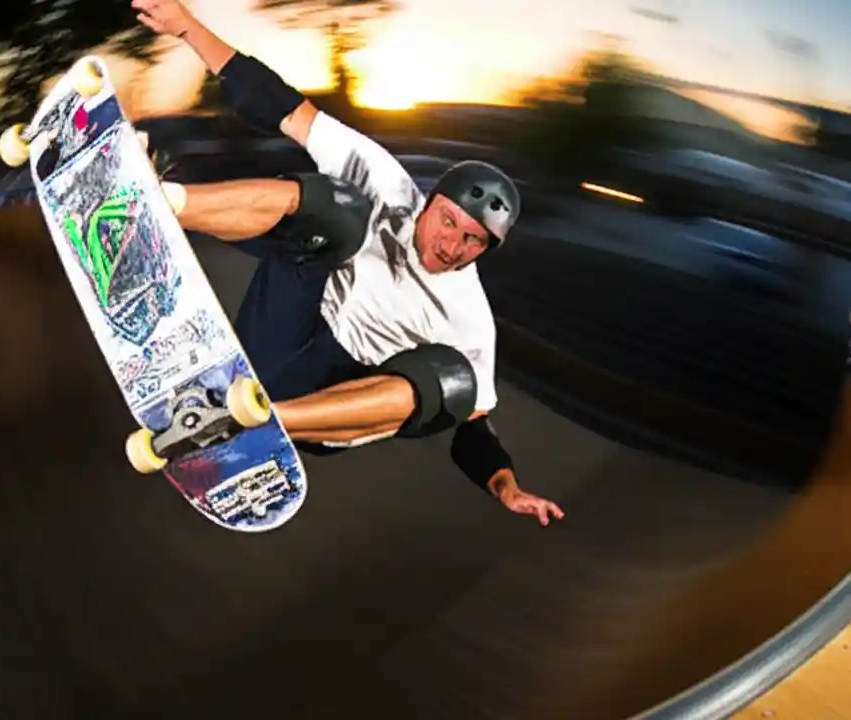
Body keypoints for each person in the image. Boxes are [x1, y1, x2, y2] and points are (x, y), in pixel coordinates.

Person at [131, 0, 565, 527]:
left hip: (326, 398)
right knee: (339, 207)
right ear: (430, 201)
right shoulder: (387, 182)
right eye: (448, 221)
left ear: (485, 252)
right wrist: (189, 28)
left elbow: (473, 431)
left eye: (473, 241)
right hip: (283, 328)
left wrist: (507, 487)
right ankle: (157, 207)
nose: (452, 245)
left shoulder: (469, 318)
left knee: (456, 381)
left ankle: (254, 423)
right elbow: (282, 108)